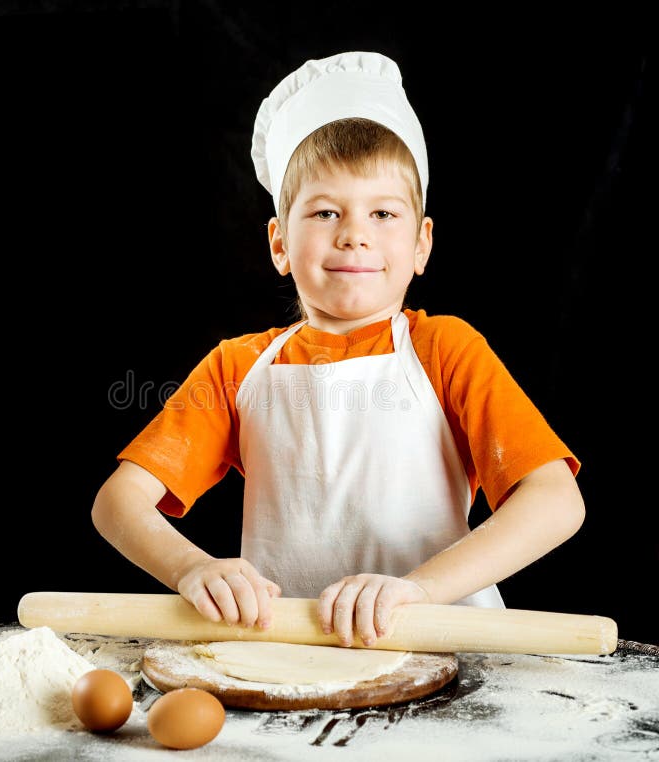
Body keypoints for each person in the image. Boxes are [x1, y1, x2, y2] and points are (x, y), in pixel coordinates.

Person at [91, 51, 585, 648]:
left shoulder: (444, 349)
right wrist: (191, 568)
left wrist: (419, 591)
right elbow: (118, 503)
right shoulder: (238, 368)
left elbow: (557, 501)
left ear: (421, 243)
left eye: (383, 212)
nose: (355, 232)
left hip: (444, 648)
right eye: (326, 212)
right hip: (289, 659)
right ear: (279, 243)